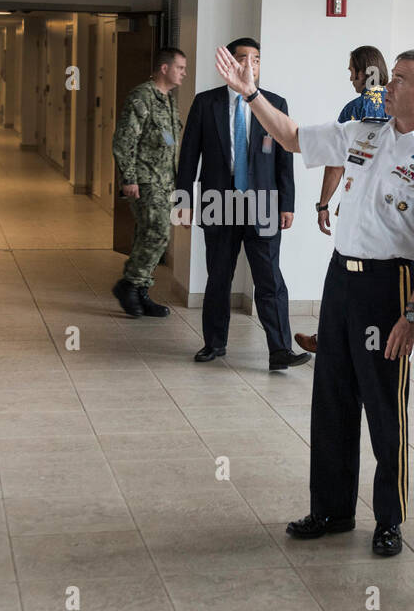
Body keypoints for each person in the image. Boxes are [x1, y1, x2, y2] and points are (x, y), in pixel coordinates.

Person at [214, 45, 414, 556]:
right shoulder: (363, 132)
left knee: (384, 406)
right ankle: (331, 508)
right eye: (389, 76)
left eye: (399, 79)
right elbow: (289, 136)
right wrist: (252, 94)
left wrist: (412, 314)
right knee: (331, 399)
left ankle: (389, 519)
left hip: (388, 285)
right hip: (341, 279)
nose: (387, 85)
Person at [175, 37, 309, 371]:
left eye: (257, 59)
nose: (250, 65)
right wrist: (184, 200)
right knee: (219, 276)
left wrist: (287, 203)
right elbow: (189, 154)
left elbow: (284, 157)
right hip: (217, 201)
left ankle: (280, 350)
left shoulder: (274, 103)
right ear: (230, 65)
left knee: (269, 279)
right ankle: (214, 343)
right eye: (243, 58)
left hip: (263, 202)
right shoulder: (206, 103)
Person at [296, 45, 391, 355]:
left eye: (352, 70)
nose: (350, 76)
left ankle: (332, 341)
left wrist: (323, 204)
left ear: (364, 72)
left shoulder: (356, 108)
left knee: (346, 277)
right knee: (379, 282)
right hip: (392, 213)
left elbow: (336, 161)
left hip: (358, 210)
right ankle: (369, 341)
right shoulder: (400, 105)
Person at [111, 48, 188, 318]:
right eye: (180, 68)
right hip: (144, 180)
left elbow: (169, 142)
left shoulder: (168, 100)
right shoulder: (142, 96)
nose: (184, 73)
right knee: (158, 233)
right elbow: (124, 140)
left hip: (164, 180)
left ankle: (142, 292)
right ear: (164, 68)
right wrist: (129, 178)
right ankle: (129, 284)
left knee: (146, 234)